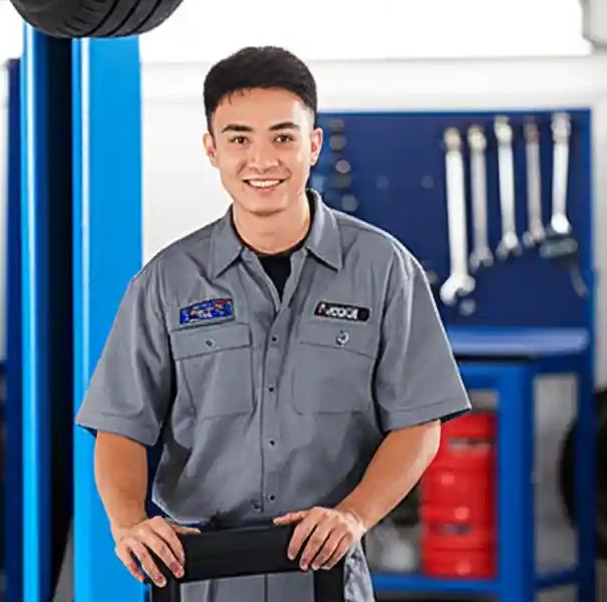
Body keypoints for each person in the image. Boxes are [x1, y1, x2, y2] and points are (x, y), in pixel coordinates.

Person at [74, 45, 472, 601]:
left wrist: (354, 517)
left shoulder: (383, 270)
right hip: (200, 578)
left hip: (326, 577)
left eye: (283, 137)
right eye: (239, 139)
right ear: (212, 150)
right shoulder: (166, 283)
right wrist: (127, 523)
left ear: (313, 144)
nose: (262, 160)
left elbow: (419, 422)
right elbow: (121, 426)